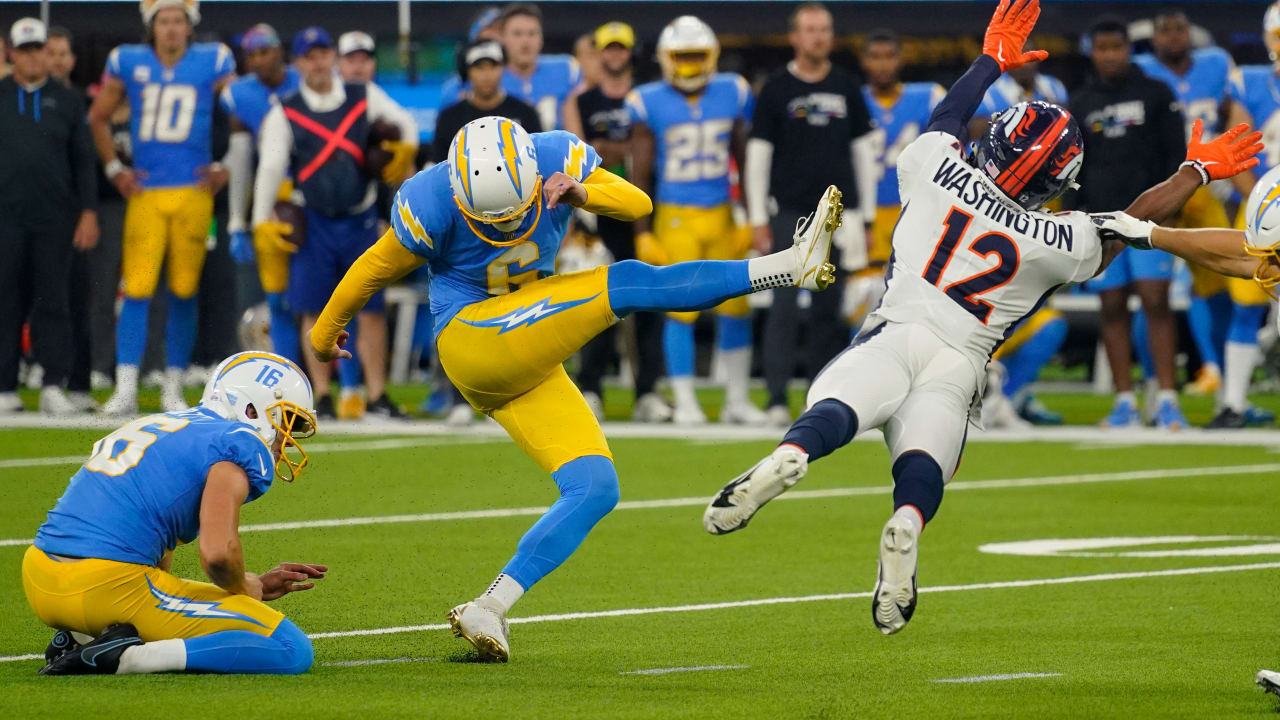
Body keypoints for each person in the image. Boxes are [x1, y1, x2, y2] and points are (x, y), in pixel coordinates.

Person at [701, 0, 1261, 636]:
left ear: (995, 140)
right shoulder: (1059, 238)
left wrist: (991, 59)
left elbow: (948, 114)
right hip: (961, 361)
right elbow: (1135, 225)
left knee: (834, 409)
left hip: (896, 330)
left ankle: (793, 453)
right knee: (923, 466)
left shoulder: (934, 169)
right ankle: (906, 523)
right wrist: (1196, 170)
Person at [308, 115, 842, 661]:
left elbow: (637, 205)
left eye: (515, 213)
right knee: (627, 282)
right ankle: (787, 266)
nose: (504, 227)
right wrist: (324, 335)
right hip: (473, 340)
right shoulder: (430, 197)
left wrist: (582, 190)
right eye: (488, 218)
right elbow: (372, 269)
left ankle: (489, 606)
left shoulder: (555, 154)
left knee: (596, 487)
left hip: (527, 350)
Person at [25, 351, 325, 676]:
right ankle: (128, 658)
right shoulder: (239, 442)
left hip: (40, 578)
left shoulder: (161, 423)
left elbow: (156, 566)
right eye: (287, 421)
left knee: (163, 592)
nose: (285, 442)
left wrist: (252, 584)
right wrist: (241, 586)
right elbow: (218, 555)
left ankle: (82, 635)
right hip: (104, 589)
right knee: (291, 649)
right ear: (250, 408)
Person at [252, 27, 417, 421]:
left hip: (359, 218)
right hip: (314, 220)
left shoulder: (362, 95)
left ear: (333, 59)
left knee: (372, 309)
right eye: (310, 56)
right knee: (314, 309)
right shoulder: (285, 109)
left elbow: (405, 122)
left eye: (324, 54)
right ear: (298, 63)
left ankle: (375, 393)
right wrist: (259, 220)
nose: (318, 63)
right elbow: (272, 166)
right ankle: (321, 395)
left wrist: (404, 150)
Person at [90, 0, 235, 415]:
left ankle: (173, 385)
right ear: (151, 27)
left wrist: (225, 164)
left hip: (194, 192)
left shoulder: (213, 60)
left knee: (184, 290)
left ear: (189, 27)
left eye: (178, 21)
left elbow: (239, 112)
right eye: (164, 21)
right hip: (148, 193)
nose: (171, 29)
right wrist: (116, 167)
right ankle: (126, 387)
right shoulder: (128, 61)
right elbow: (98, 117)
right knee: (136, 288)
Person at [748, 3, 878, 427]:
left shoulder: (847, 85)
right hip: (789, 213)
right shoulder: (776, 88)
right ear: (795, 36)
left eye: (824, 29)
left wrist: (868, 216)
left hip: (838, 215)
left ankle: (821, 396)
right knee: (783, 306)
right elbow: (758, 154)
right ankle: (774, 398)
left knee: (829, 309)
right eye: (810, 29)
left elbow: (862, 154)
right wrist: (756, 217)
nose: (818, 36)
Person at [629, 15, 760, 425]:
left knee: (737, 306)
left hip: (722, 213)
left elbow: (745, 159)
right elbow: (640, 172)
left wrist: (751, 217)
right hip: (675, 215)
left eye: (695, 56)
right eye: (681, 57)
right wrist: (642, 230)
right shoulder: (647, 101)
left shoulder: (732, 92)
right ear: (666, 59)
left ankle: (736, 400)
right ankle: (685, 400)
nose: (688, 65)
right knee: (680, 308)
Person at [1069, 15, 1188, 429]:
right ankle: (1125, 404)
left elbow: (1178, 155)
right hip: (1099, 220)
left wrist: (1173, 207)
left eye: (1116, 48)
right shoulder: (1080, 103)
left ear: (1127, 49)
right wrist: (1074, 217)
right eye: (1102, 49)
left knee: (1157, 303)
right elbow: (1072, 167)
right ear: (1092, 52)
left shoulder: (1155, 94)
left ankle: (1168, 400)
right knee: (1112, 308)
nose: (1109, 56)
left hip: (1152, 219)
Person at [563, 22, 671, 423]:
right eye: (607, 48)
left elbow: (651, 151)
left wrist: (611, 149)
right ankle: (590, 386)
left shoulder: (646, 98)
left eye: (620, 48)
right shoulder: (582, 99)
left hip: (644, 211)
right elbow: (579, 156)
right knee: (598, 305)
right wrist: (623, 150)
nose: (614, 55)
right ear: (600, 52)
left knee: (650, 301)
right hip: (599, 213)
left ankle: (647, 392)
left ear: (630, 52)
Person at [1135, 9, 1239, 401]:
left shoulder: (1215, 64)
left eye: (1180, 28)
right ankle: (1151, 380)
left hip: (1207, 188)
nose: (1174, 37)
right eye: (1165, 30)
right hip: (1161, 187)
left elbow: (1233, 114)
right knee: (1151, 291)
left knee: (1222, 279)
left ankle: (1224, 378)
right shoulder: (1141, 70)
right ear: (1154, 36)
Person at [0, 17, 98, 415]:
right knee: (5, 300)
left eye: (37, 49)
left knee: (53, 301)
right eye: (24, 50)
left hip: (56, 219)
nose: (32, 57)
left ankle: (53, 382)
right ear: (11, 54)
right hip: (5, 217)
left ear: (45, 51)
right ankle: (4, 386)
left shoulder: (70, 100)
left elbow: (84, 161)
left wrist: (89, 211)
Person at [1207, 3, 1280, 428]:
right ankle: (1232, 403)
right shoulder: (1250, 82)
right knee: (1247, 306)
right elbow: (1238, 148)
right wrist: (1262, 207)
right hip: (1266, 211)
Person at [222, 24, 302, 368]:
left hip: (309, 196)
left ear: (280, 51)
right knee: (269, 294)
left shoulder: (305, 80)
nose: (256, 60)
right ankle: (270, 367)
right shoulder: (238, 94)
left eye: (263, 51)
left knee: (310, 295)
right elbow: (240, 162)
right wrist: (238, 220)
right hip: (269, 199)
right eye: (250, 54)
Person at [439, 4, 582, 132]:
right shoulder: (481, 79)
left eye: (532, 33)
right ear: (502, 38)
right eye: (517, 34)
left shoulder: (566, 68)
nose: (525, 41)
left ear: (541, 38)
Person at [967, 38, 1066, 139]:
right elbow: (976, 133)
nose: (1025, 64)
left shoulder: (1054, 86)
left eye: (1031, 56)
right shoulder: (988, 92)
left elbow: (1066, 124)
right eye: (1019, 56)